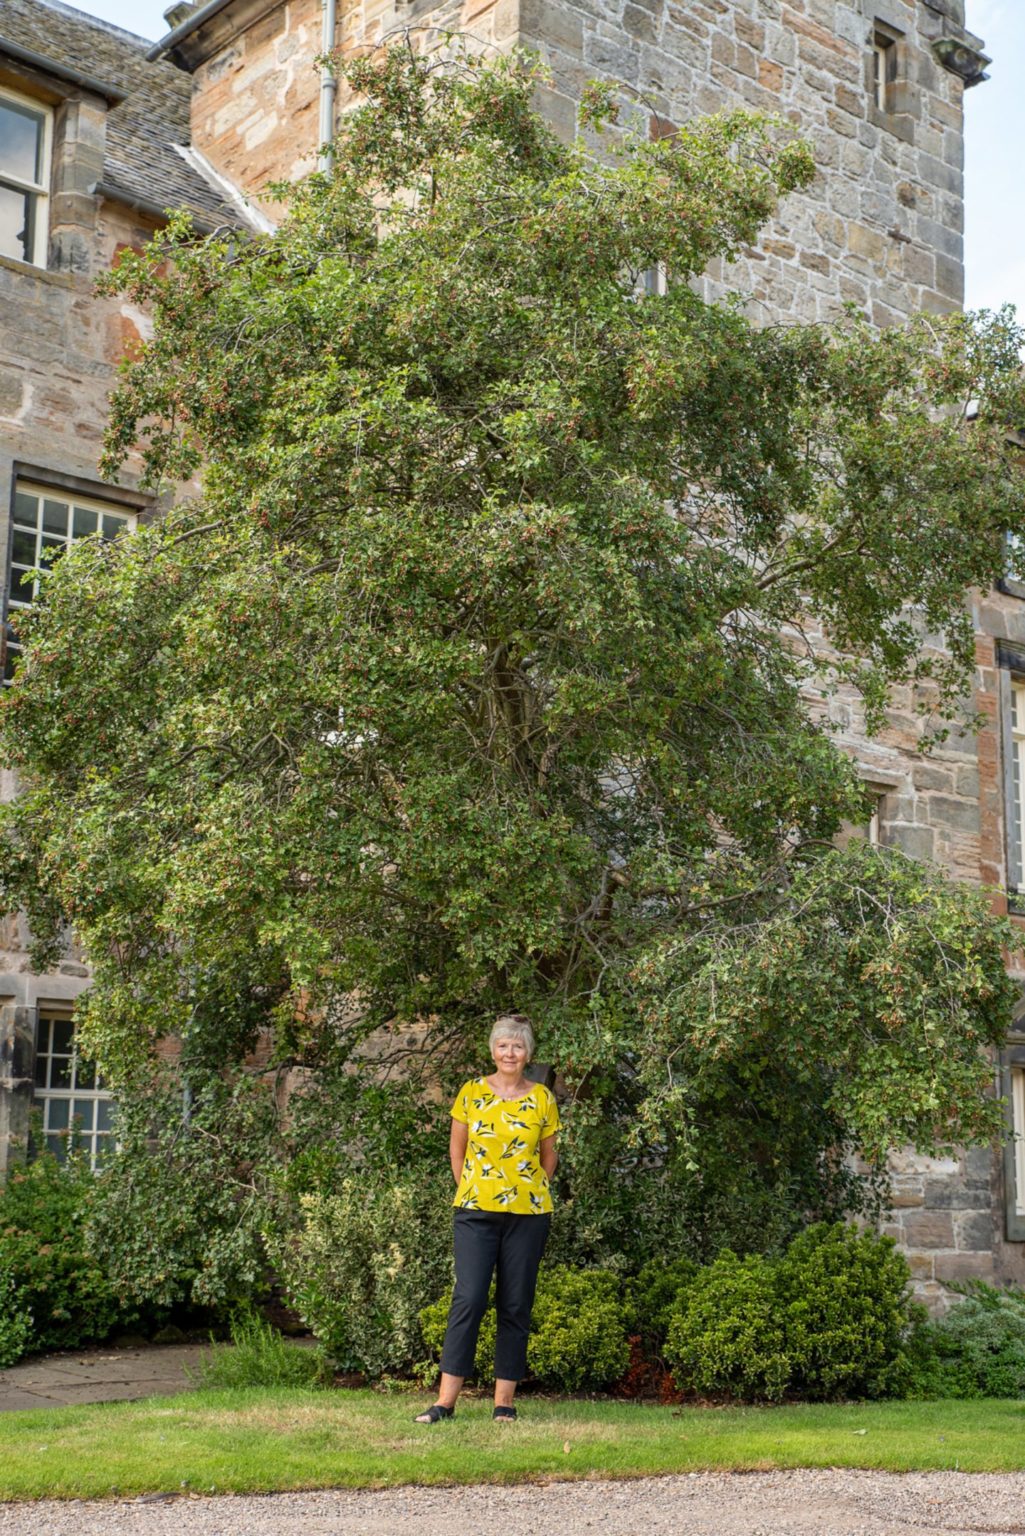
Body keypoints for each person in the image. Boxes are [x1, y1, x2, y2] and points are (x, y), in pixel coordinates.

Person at [414, 1014, 560, 1424]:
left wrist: (531, 1189)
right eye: (503, 1045)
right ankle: (444, 1404)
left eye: (517, 1046)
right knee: (470, 1298)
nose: (510, 1053)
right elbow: (456, 1150)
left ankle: (504, 1404)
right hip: (476, 1212)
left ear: (527, 1053)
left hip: (528, 1216)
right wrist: (471, 1190)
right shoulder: (472, 1092)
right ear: (493, 1051)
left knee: (515, 1303)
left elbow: (549, 1155)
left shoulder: (542, 1098)